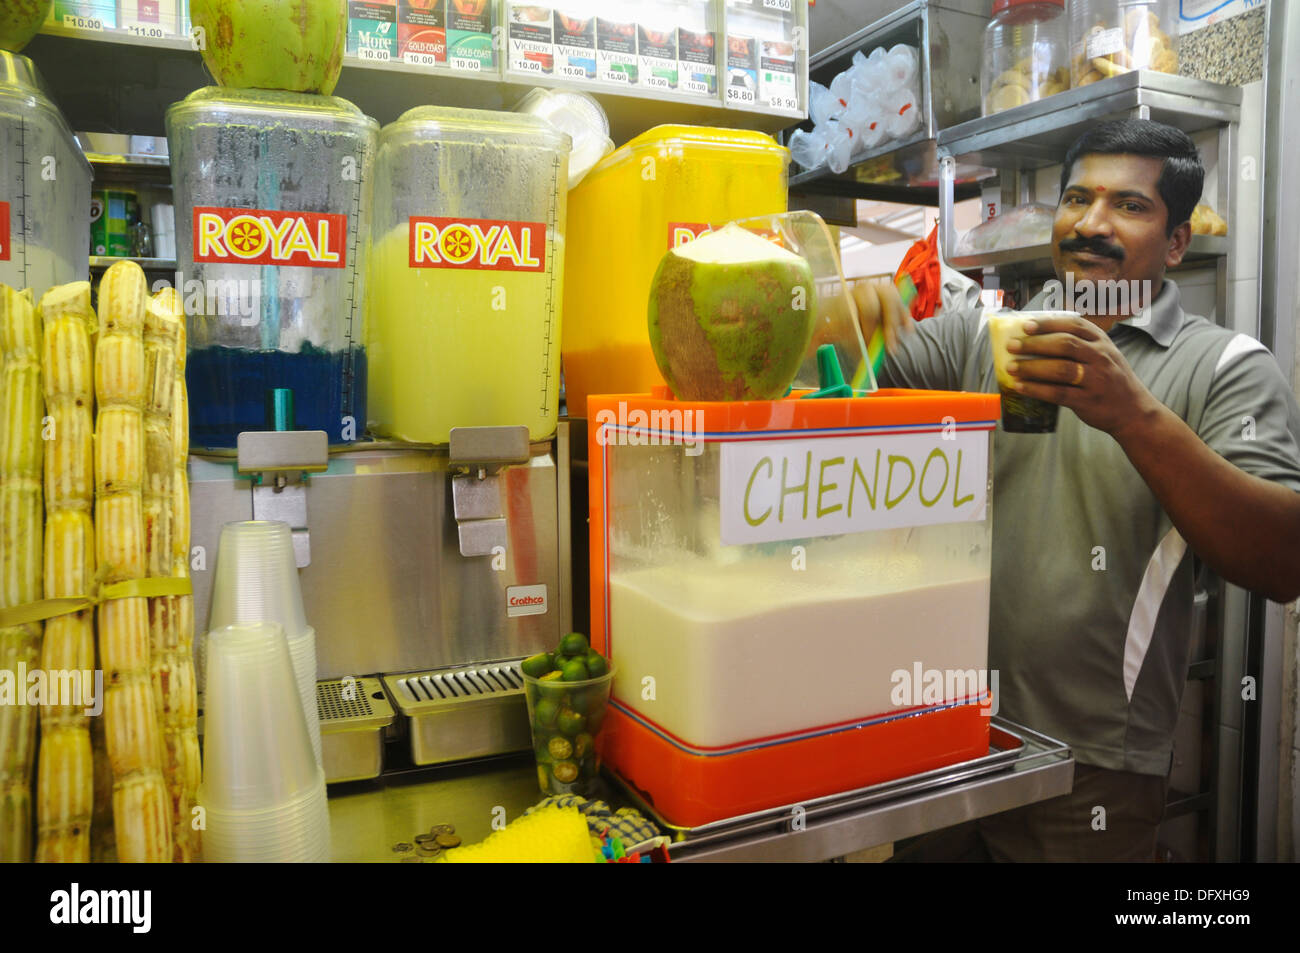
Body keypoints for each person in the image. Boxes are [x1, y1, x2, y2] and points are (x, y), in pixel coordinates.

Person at [856, 119, 1300, 862]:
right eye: (1076, 198)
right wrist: (851, 317)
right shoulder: (978, 335)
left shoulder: (1226, 366)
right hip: (945, 722)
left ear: (1178, 242)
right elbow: (849, 389)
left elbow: (1282, 557)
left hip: (1093, 763)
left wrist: (1134, 414)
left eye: (1129, 205)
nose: (1091, 223)